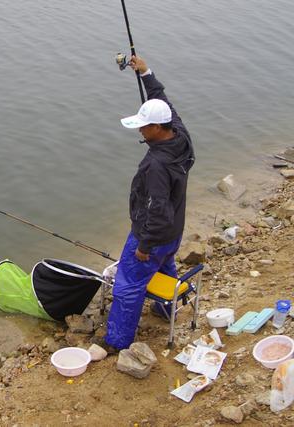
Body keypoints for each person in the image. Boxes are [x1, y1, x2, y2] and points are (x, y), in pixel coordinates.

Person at [99, 55, 195, 352]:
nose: (140, 130)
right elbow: (162, 100)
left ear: (157, 127)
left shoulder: (156, 165)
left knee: (128, 284)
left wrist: (144, 246)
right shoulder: (180, 136)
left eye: (143, 126)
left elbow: (157, 210)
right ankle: (166, 309)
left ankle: (116, 341)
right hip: (173, 233)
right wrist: (146, 73)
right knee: (164, 266)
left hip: (151, 236)